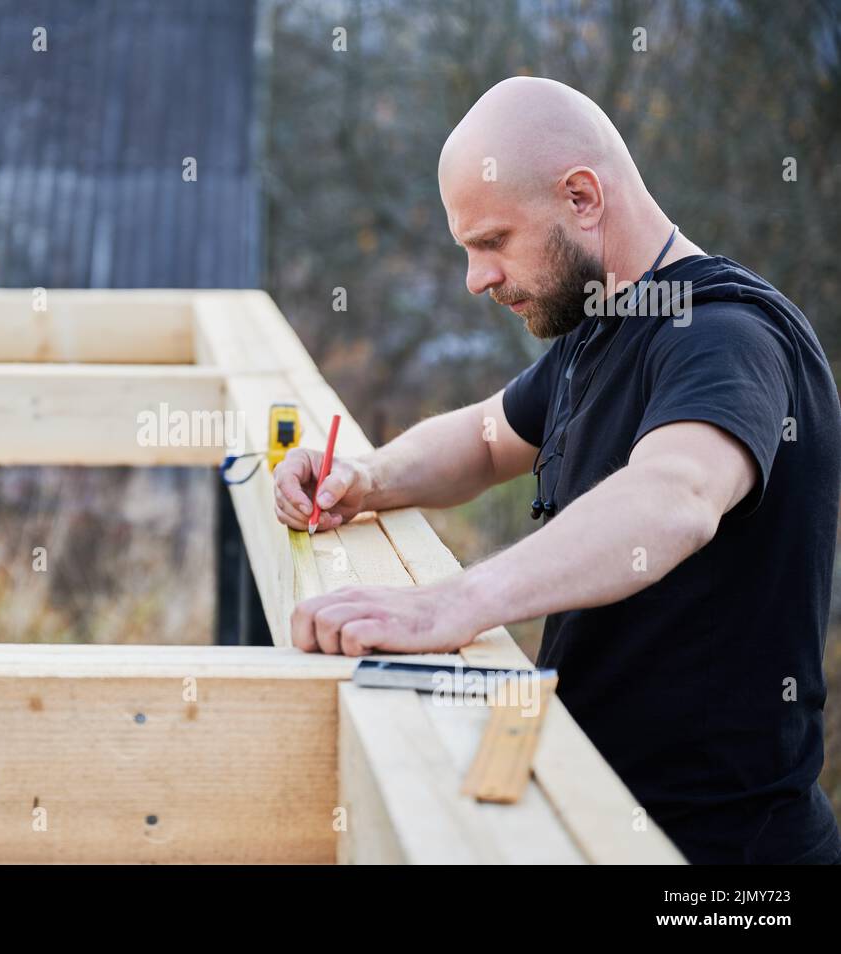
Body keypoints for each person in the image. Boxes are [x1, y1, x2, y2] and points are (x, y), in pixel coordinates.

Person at [273, 76, 841, 864]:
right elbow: (483, 439)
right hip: (595, 815)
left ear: (582, 197)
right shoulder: (607, 323)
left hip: (717, 858)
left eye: (492, 242)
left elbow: (675, 497)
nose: (477, 279)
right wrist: (366, 479)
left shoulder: (725, 338)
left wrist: (459, 601)